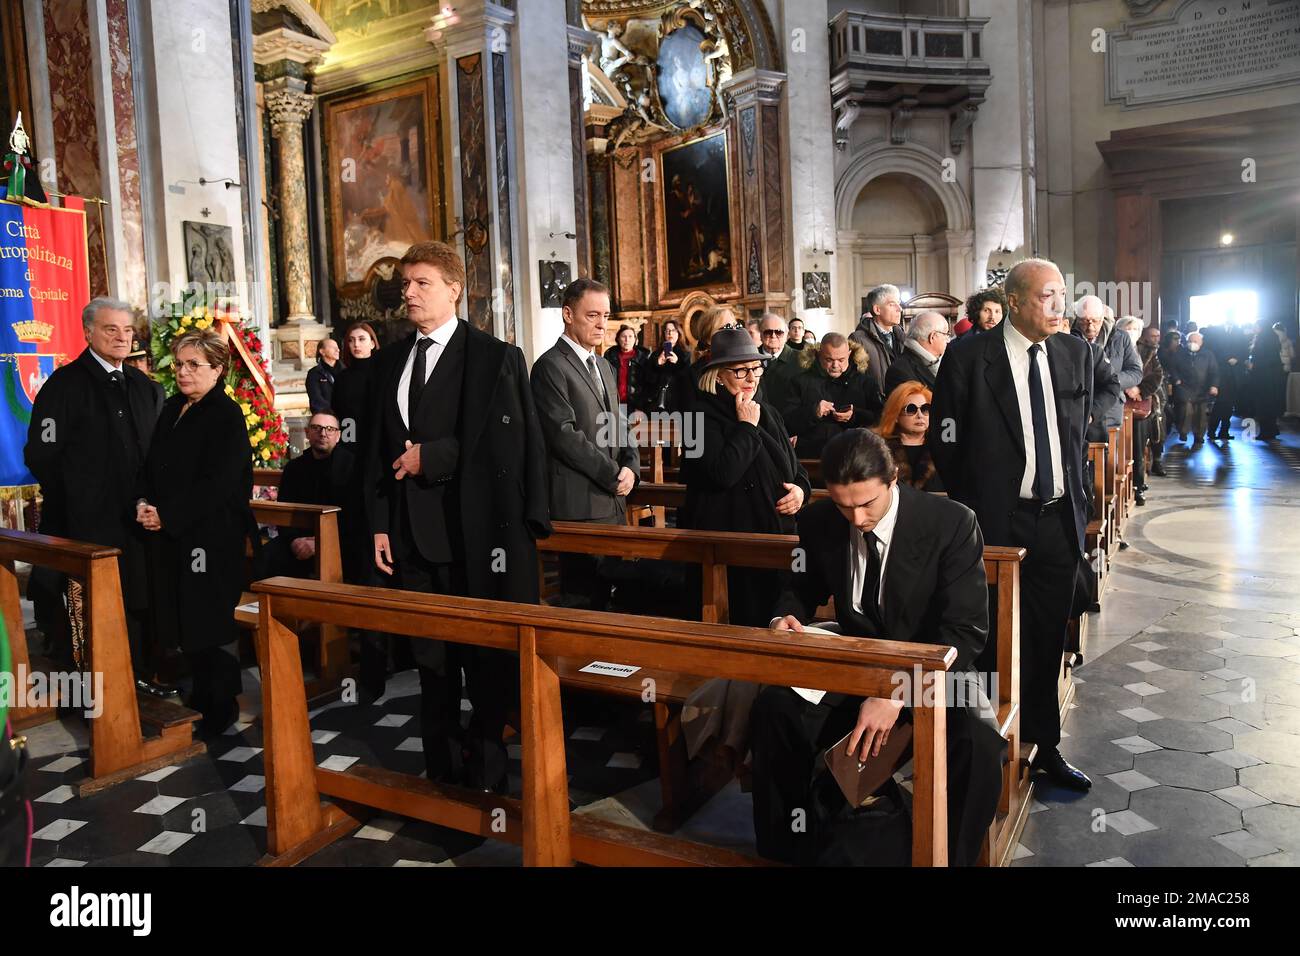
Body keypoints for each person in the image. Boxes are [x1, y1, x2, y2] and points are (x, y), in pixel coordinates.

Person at [750, 429, 1004, 866]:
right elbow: (799, 585)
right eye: (843, 505)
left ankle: (951, 858)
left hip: (934, 668)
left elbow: (965, 631)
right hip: (859, 664)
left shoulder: (951, 523)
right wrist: (784, 616)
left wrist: (896, 691)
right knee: (775, 709)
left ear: (893, 481)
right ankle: (787, 851)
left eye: (867, 503)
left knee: (978, 744)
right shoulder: (819, 520)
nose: (856, 518)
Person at [366, 240, 551, 791]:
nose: (410, 292)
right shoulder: (391, 360)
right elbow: (378, 450)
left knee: (485, 664)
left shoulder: (494, 357)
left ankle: (490, 780)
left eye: (422, 282)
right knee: (433, 667)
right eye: (405, 283)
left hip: (478, 536)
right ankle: (442, 780)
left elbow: (511, 444)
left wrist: (435, 457)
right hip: (413, 538)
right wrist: (380, 523)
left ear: (454, 289)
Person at [929, 256, 1094, 792]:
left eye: (1062, 294)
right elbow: (945, 436)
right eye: (1047, 296)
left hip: (1057, 521)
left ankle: (1045, 746)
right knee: (991, 635)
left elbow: (1074, 436)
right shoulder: (969, 355)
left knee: (1048, 637)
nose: (1058, 305)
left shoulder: (1075, 353)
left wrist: (1079, 500)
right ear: (1016, 301)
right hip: (997, 521)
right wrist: (973, 503)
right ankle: (986, 751)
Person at [25, 298, 168, 695]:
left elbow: (157, 452)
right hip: (84, 523)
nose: (122, 338)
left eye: (127, 330)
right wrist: (79, 499)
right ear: (88, 332)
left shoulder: (144, 387)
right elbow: (41, 451)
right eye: (111, 330)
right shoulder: (64, 385)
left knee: (137, 601)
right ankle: (92, 693)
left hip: (137, 520)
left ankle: (136, 679)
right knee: (90, 609)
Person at [137, 329, 253, 736]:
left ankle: (220, 707)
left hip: (211, 536)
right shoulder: (171, 409)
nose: (183, 372)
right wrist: (145, 503)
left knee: (210, 622)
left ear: (218, 370)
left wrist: (167, 515)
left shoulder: (226, 414)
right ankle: (192, 698)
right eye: (180, 364)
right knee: (182, 621)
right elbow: (153, 467)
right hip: (174, 535)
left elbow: (218, 483)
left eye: (193, 365)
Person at [679, 325, 809, 626]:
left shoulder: (767, 411)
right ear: (719, 375)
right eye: (740, 371)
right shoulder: (697, 418)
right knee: (745, 623)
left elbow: (796, 467)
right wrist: (746, 429)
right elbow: (720, 474)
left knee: (780, 621)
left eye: (756, 369)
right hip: (733, 546)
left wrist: (801, 491)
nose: (751, 378)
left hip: (776, 536)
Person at [531, 278, 639, 612]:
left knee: (616, 595)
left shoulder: (604, 365)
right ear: (567, 313)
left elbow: (619, 422)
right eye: (592, 315)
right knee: (583, 600)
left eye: (605, 315)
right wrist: (613, 474)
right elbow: (564, 435)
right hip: (580, 504)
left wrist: (632, 466)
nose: (602, 324)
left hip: (614, 502)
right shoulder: (550, 366)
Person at [261, 410, 356, 579]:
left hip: (340, 541)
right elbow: (285, 511)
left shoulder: (352, 467)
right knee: (268, 554)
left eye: (330, 429)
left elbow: (355, 517)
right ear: (307, 432)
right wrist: (294, 541)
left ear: (339, 435)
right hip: (299, 540)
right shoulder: (294, 468)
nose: (323, 433)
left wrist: (321, 542)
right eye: (317, 428)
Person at [784, 333, 882, 458]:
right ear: (819, 355)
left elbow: (880, 417)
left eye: (841, 360)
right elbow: (787, 421)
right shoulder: (800, 382)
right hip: (811, 454)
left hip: (855, 455)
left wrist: (855, 415)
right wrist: (814, 412)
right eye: (829, 360)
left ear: (849, 354)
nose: (835, 366)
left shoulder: (865, 382)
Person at [1073, 296, 1136, 434]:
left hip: (1110, 407)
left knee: (1108, 452)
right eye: (1084, 322)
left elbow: (1135, 371)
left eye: (1095, 321)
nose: (1090, 327)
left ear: (1102, 318)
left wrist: (1111, 379)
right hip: (1078, 408)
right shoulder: (1069, 337)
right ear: (1077, 319)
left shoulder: (1120, 337)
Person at [1121, 319, 1162, 504]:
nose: (1131, 332)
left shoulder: (1148, 351)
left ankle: (1137, 485)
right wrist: (1125, 386)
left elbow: (1157, 375)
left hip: (1139, 404)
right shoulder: (1113, 347)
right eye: (1128, 329)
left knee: (1137, 446)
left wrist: (1140, 389)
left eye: (1135, 329)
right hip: (1118, 401)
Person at [876, 382, 942, 492]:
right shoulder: (878, 449)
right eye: (911, 409)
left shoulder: (942, 447)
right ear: (895, 415)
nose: (920, 415)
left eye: (926, 409)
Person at [330, 321, 381, 458]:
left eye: (361, 339)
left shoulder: (383, 373)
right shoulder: (342, 377)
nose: (356, 345)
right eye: (351, 340)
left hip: (379, 442)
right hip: (349, 441)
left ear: (372, 343)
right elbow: (338, 412)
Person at [849, 284, 904, 406]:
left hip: (902, 403)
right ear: (877, 310)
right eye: (892, 304)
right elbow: (855, 381)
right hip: (876, 407)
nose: (899, 309)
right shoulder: (858, 339)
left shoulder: (903, 336)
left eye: (899, 303)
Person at [1167, 330, 1219, 448]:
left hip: (1202, 388)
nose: (1192, 343)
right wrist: (1176, 379)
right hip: (1184, 387)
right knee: (1185, 409)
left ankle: (1199, 436)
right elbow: (1172, 368)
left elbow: (1214, 372)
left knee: (1201, 413)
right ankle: (1183, 432)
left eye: (1195, 341)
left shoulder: (1208, 355)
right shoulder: (1179, 353)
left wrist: (1214, 385)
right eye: (1190, 341)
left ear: (1201, 342)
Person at [883, 310, 948, 394]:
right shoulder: (900, 372)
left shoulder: (941, 361)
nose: (948, 339)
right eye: (946, 334)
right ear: (933, 337)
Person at [1137, 324, 1168, 479]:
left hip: (1150, 394)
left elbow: (1157, 375)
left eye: (1158, 336)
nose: (1156, 339)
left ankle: (1157, 459)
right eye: (1153, 336)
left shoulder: (1151, 352)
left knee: (1159, 419)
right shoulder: (1127, 348)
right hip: (1127, 396)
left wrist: (1142, 390)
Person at [755, 313, 801, 414]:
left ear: (787, 334)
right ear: (760, 334)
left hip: (791, 421)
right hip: (759, 419)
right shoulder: (750, 359)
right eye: (768, 332)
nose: (773, 336)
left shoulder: (800, 359)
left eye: (779, 332)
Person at [645, 318, 692, 412]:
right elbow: (648, 380)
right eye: (667, 331)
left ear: (679, 333)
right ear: (664, 334)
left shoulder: (685, 354)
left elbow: (688, 380)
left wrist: (677, 363)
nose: (670, 333)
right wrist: (657, 364)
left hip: (678, 402)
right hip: (658, 402)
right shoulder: (656, 354)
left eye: (673, 330)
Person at [1248, 324, 1285, 442]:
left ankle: (1266, 431)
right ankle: (1271, 430)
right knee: (1269, 405)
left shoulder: (1264, 341)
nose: (1254, 328)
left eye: (1256, 326)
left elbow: (1264, 359)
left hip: (1263, 378)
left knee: (1263, 405)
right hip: (1270, 378)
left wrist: (1253, 365)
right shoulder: (1271, 339)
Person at [603, 323, 649, 412]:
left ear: (635, 339)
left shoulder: (643, 358)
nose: (627, 340)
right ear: (618, 339)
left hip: (634, 406)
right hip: (613, 405)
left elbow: (647, 386)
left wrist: (640, 407)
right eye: (623, 336)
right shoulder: (610, 356)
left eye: (630, 336)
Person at [306, 338, 340, 413]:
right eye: (333, 347)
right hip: (325, 418)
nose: (337, 350)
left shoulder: (345, 371)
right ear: (322, 351)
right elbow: (316, 400)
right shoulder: (314, 374)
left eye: (337, 348)